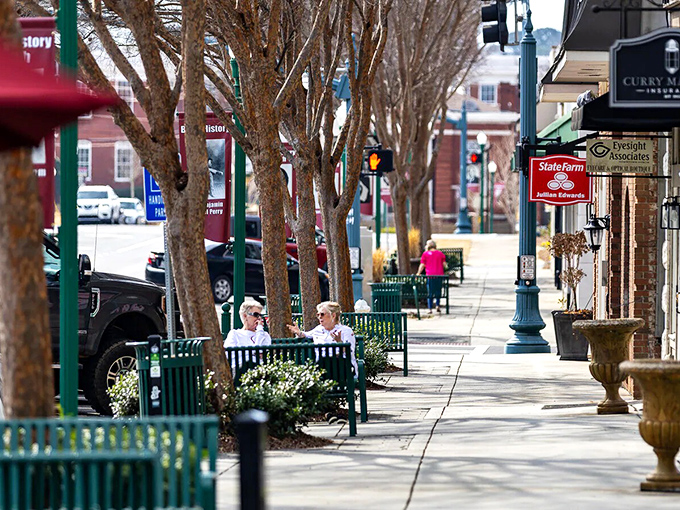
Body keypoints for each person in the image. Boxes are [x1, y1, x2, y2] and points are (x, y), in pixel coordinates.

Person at [286, 301, 358, 375]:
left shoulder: (346, 330)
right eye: (318, 314)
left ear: (333, 315)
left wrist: (340, 343)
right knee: (321, 363)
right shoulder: (318, 329)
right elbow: (305, 334)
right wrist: (299, 332)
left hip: (343, 366)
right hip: (322, 366)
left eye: (322, 314)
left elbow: (350, 351)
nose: (319, 317)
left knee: (328, 362)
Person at [224, 300, 271, 370]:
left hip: (260, 370)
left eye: (260, 315)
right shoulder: (234, 334)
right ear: (245, 316)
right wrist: (253, 353)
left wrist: (260, 332)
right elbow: (230, 355)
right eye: (255, 315)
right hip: (239, 369)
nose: (259, 318)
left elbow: (261, 354)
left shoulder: (264, 335)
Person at [416, 239, 447, 314]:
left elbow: (422, 265)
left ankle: (430, 308)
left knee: (430, 292)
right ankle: (437, 305)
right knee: (438, 290)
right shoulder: (440, 254)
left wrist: (418, 273)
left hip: (430, 276)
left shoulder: (425, 254)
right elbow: (445, 265)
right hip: (439, 275)